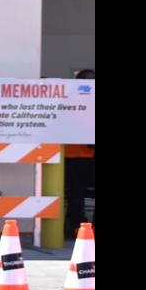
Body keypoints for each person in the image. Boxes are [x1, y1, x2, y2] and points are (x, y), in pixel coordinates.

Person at [65, 68, 95, 232]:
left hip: (78, 156)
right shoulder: (71, 101)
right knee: (76, 195)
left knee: (75, 195)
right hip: (75, 155)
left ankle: (77, 226)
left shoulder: (69, 99)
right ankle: (77, 226)